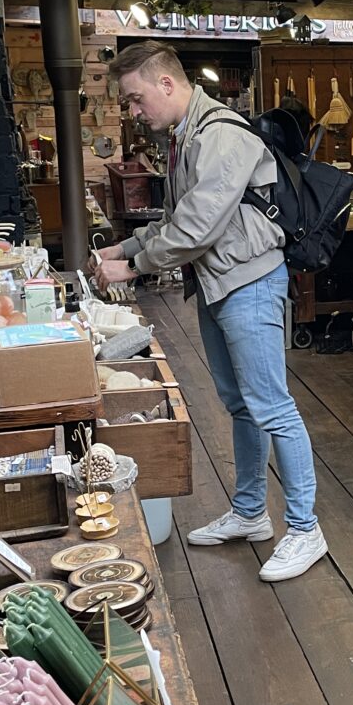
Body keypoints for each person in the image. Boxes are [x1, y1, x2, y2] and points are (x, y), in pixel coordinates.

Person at [93, 40, 327, 583]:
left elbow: (197, 229)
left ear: (167, 84)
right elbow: (179, 218)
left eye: (135, 98)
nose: (134, 111)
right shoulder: (186, 138)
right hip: (219, 283)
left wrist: (134, 269)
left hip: (248, 284)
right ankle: (250, 513)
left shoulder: (219, 135)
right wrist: (123, 250)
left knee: (271, 405)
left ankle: (304, 527)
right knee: (241, 404)